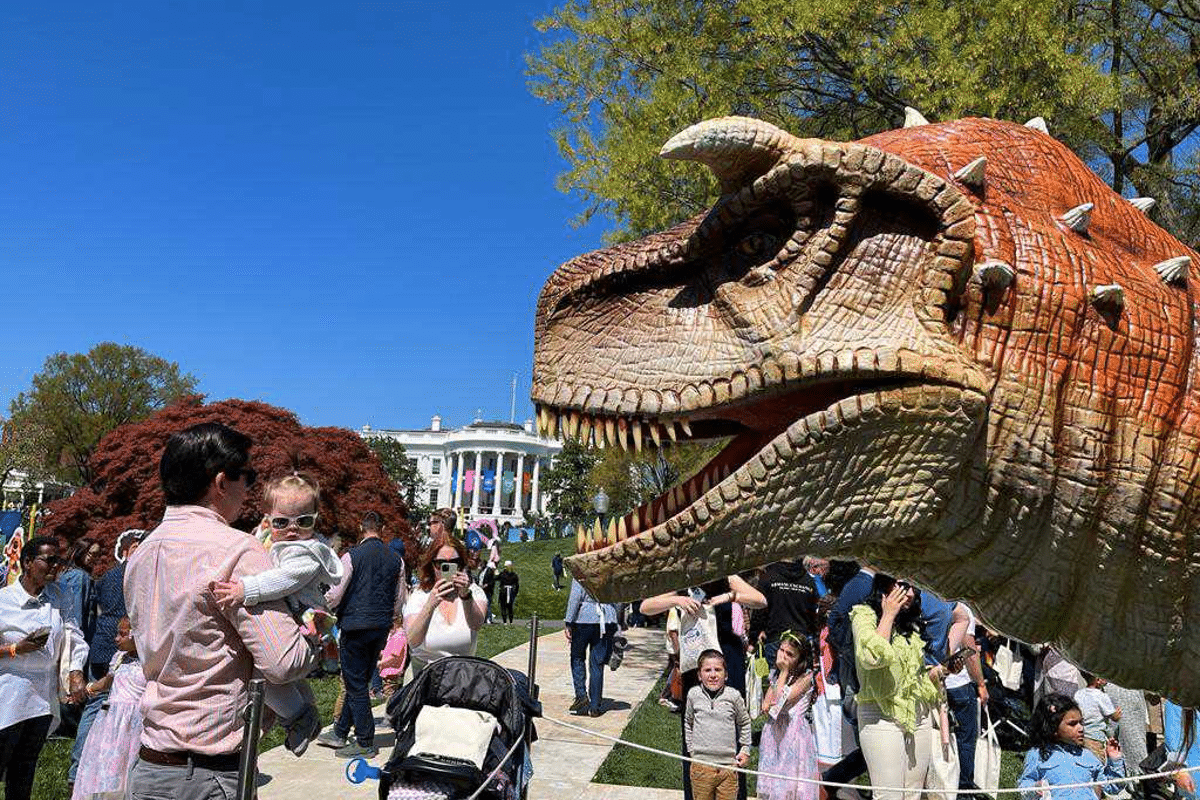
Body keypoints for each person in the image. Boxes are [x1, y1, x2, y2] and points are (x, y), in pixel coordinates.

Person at [124, 422, 314, 799]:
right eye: (248, 476)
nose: (250, 489)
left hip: (150, 763)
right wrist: (314, 639)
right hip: (211, 772)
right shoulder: (237, 550)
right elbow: (283, 661)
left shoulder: (142, 553)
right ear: (222, 481)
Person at [211, 472, 344, 756]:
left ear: (315, 519)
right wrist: (261, 532)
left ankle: (297, 718)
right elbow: (259, 542)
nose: (293, 529)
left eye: (304, 521)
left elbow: (283, 579)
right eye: (282, 522)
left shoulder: (307, 553)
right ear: (269, 519)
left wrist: (244, 590)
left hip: (303, 625)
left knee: (259, 677)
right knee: (283, 679)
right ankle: (304, 711)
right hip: (289, 620)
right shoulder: (274, 538)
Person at [642, 575, 766, 800]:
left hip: (728, 661)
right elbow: (646, 607)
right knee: (695, 727)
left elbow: (760, 600)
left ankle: (732, 791)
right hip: (696, 664)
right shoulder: (684, 577)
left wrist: (729, 597)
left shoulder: (727, 576)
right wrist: (677, 600)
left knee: (731, 724)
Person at [0, 536, 89, 800]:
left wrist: (75, 673)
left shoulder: (60, 597)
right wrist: (17, 649)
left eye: (59, 561)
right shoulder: (4, 601)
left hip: (41, 699)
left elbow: (73, 635)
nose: (56, 567)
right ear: (27, 563)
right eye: (49, 560)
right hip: (7, 696)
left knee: (24, 769)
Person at [317, 509, 402, 758]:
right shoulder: (396, 559)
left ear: (360, 527)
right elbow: (399, 598)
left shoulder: (351, 556)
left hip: (355, 625)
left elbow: (335, 594)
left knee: (354, 683)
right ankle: (341, 731)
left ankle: (364, 740)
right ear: (383, 528)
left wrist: (322, 606)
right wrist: (389, 616)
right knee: (362, 679)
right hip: (381, 626)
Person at [851, 575, 945, 800]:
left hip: (917, 715)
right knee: (889, 796)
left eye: (914, 586)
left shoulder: (911, 623)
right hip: (880, 716)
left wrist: (940, 671)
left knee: (913, 795)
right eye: (903, 586)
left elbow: (913, 677)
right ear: (885, 585)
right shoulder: (864, 615)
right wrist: (889, 614)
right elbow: (872, 658)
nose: (911, 593)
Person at [69, 528, 146, 794]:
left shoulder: (108, 576)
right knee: (100, 710)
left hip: (105, 643)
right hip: (123, 645)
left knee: (98, 709)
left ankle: (83, 771)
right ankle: (84, 771)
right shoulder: (137, 574)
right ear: (131, 549)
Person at [71, 617, 146, 800]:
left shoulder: (149, 661)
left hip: (134, 723)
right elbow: (108, 681)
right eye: (117, 633)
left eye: (122, 634)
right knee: (105, 764)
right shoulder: (119, 658)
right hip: (111, 721)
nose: (116, 639)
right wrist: (87, 689)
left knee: (127, 766)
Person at [402, 533, 487, 673]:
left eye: (455, 562)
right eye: (440, 564)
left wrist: (465, 596)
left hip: (462, 680)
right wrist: (430, 604)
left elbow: (476, 624)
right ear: (431, 565)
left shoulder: (474, 592)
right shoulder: (419, 595)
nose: (447, 568)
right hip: (425, 680)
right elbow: (413, 640)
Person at [1018, 693, 1125, 800]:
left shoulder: (1088, 755)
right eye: (1073, 724)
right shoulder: (1038, 754)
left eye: (1081, 722)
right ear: (1053, 727)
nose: (1081, 728)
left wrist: (1115, 760)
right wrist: (1035, 788)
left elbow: (1112, 787)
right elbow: (1024, 786)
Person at [758, 632, 819, 800]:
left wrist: (783, 672)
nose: (782, 656)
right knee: (773, 780)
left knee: (790, 785)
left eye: (789, 654)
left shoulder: (806, 678)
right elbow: (766, 705)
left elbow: (780, 703)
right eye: (781, 650)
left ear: (800, 659)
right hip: (774, 733)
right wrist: (780, 675)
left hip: (793, 735)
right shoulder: (776, 676)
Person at [685, 649, 751, 800]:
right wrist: (691, 750)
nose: (713, 675)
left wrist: (745, 749)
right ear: (699, 675)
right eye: (707, 670)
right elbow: (688, 722)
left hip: (728, 768)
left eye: (718, 670)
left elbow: (745, 722)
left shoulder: (733, 696)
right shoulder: (693, 695)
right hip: (701, 767)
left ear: (726, 675)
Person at [564, 577, 620, 717]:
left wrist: (569, 621)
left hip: (583, 619)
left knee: (577, 657)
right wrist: (615, 619)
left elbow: (575, 599)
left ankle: (581, 694)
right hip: (606, 620)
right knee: (597, 663)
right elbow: (619, 600)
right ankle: (595, 705)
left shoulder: (581, 574)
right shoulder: (609, 574)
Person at [750, 557, 821, 664]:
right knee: (798, 678)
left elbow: (759, 609)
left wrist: (753, 636)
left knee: (773, 679)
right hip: (799, 640)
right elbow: (813, 613)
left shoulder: (768, 578)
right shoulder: (809, 581)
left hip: (775, 638)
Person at [1074, 672, 1122, 762]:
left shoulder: (1078, 694)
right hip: (1097, 738)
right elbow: (1113, 717)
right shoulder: (1101, 696)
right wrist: (1118, 714)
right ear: (1098, 680)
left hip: (1082, 736)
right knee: (1099, 762)